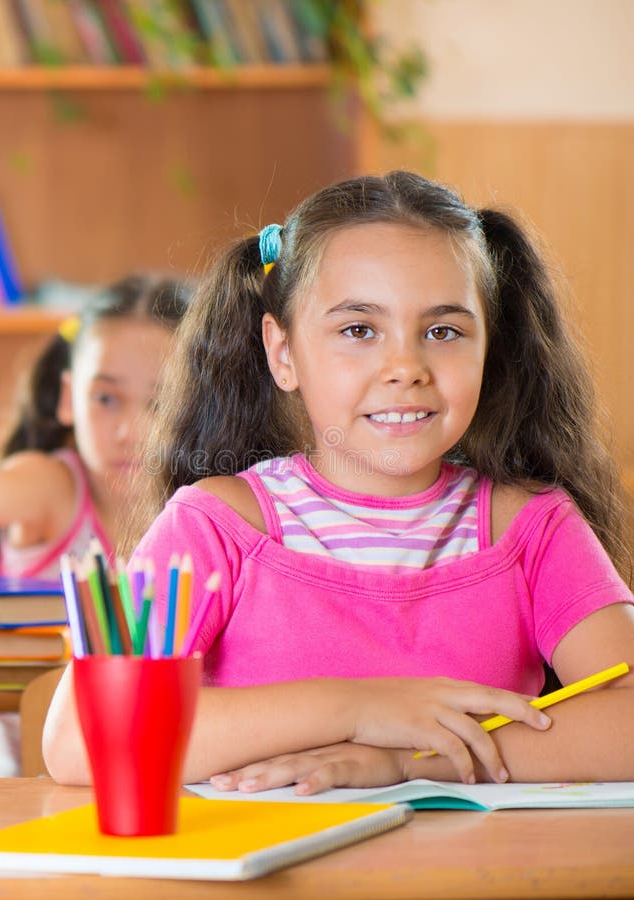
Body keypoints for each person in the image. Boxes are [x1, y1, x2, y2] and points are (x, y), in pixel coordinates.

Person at [43, 171, 634, 794]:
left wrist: (409, 761)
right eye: (358, 330)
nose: (405, 368)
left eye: (443, 331)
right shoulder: (216, 526)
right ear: (283, 353)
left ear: (489, 346)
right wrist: (360, 709)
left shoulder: (533, 526)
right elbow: (80, 738)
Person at [0, 273, 192, 777]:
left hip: (136, 782)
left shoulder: (204, 510)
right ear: (68, 397)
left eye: (160, 402)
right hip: (14, 786)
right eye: (106, 398)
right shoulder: (54, 489)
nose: (130, 431)